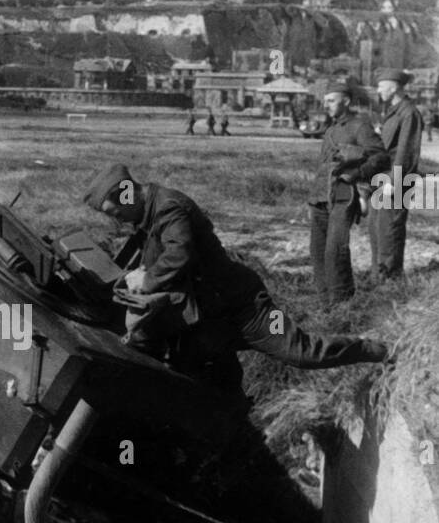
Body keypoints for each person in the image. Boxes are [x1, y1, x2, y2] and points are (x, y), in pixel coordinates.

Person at [82, 163, 388, 395]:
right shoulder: (147, 215)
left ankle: (376, 350)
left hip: (246, 309)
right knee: (200, 368)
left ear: (127, 192)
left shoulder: (168, 208)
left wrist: (147, 280)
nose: (117, 221)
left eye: (117, 213)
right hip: (211, 315)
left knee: (302, 353)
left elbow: (179, 254)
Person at [307, 79, 388, 308]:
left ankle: (343, 305)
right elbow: (322, 166)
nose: (327, 105)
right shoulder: (331, 130)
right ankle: (326, 305)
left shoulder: (359, 127)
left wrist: (356, 174)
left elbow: (380, 157)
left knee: (335, 251)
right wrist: (311, 200)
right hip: (320, 198)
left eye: (332, 101)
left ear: (347, 101)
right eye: (325, 101)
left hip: (344, 197)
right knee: (318, 252)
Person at [369, 68, 423, 282]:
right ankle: (378, 276)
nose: (378, 90)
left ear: (393, 87)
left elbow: (406, 152)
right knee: (377, 229)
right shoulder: (393, 111)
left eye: (381, 86)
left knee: (390, 230)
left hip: (395, 182)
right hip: (383, 179)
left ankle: (390, 279)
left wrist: (394, 182)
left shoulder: (409, 113)